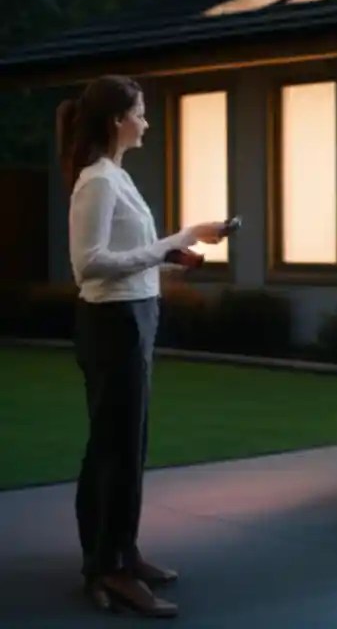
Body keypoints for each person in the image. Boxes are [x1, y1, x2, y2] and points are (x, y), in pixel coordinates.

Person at [58, 75, 227, 617]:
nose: (146, 122)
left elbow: (134, 249)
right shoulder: (99, 182)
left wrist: (178, 247)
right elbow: (90, 264)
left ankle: (120, 553)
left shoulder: (118, 178)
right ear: (117, 120)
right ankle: (107, 566)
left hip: (135, 315)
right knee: (115, 446)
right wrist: (170, 246)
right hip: (112, 322)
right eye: (141, 112)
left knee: (127, 443)